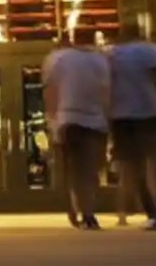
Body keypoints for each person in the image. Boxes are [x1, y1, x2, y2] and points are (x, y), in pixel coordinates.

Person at [107, 22, 156, 231]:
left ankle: (128, 212)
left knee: (129, 167)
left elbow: (106, 83)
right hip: (153, 112)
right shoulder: (154, 51)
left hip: (122, 114)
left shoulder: (112, 55)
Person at [43, 32, 111, 230]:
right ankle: (88, 211)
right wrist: (108, 118)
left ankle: (76, 208)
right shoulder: (101, 60)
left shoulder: (59, 59)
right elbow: (106, 91)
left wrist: (52, 119)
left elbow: (50, 90)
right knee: (91, 169)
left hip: (68, 119)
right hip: (96, 121)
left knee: (73, 169)